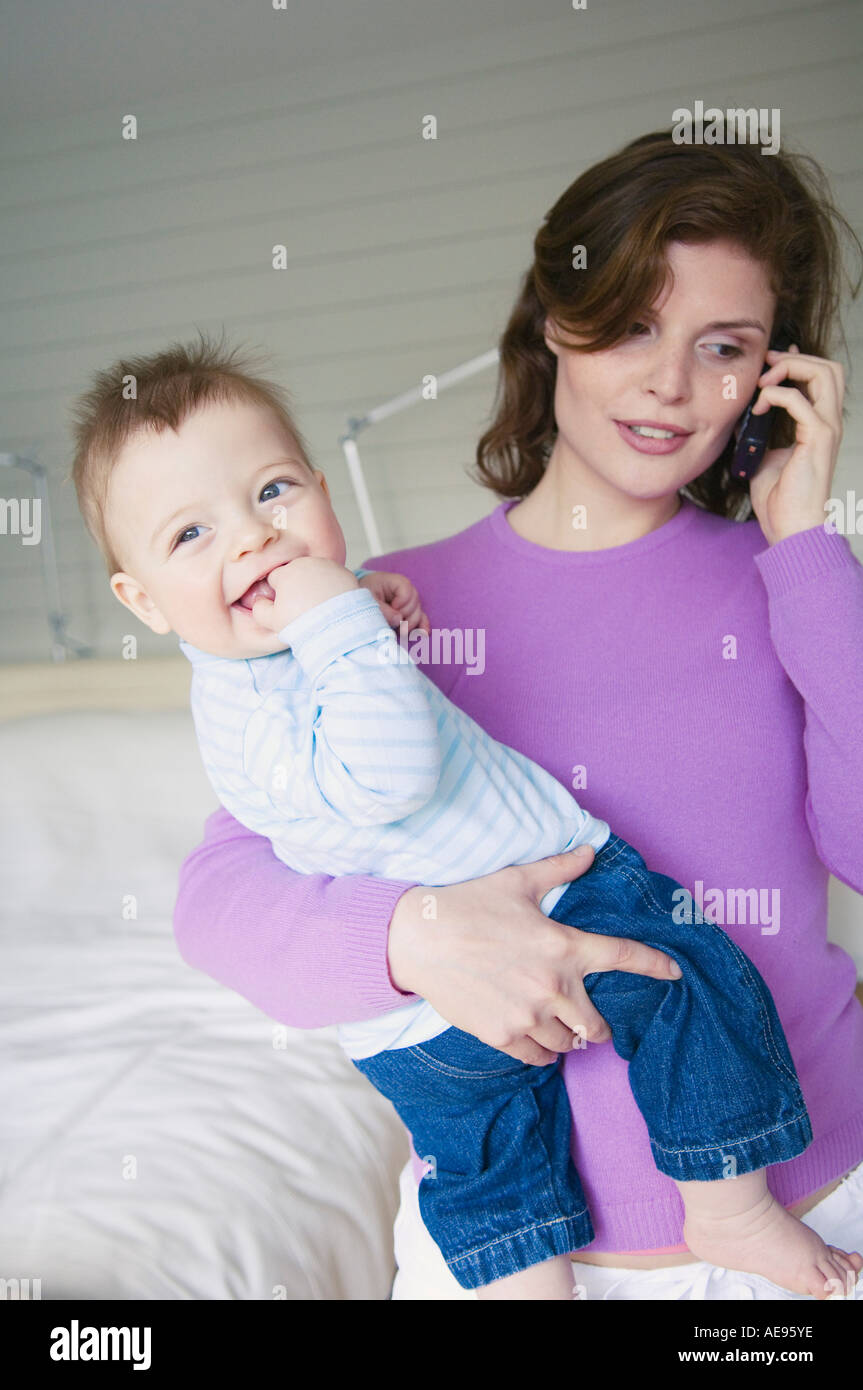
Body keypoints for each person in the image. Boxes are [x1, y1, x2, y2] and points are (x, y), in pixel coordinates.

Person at [74, 129, 863, 1299]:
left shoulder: (796, 587)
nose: (666, 383)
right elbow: (220, 898)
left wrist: (803, 544)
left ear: (771, 378)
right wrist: (410, 938)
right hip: (515, 1258)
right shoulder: (363, 608)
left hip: (809, 1210)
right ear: (556, 318)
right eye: (634, 324)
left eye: (723, 348)